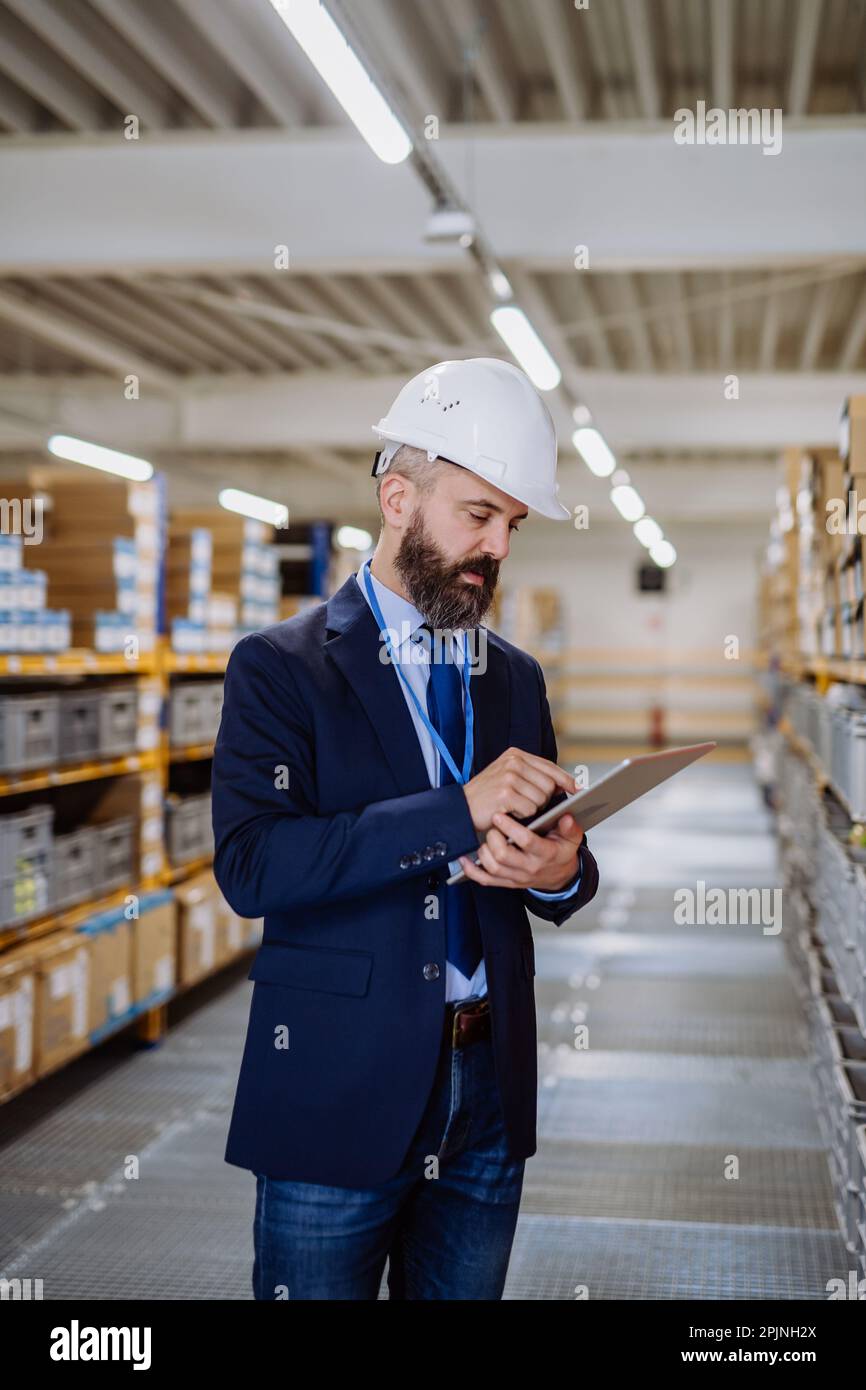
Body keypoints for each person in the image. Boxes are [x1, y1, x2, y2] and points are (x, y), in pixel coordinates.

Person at [212, 356, 600, 1300]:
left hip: (486, 1092)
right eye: (479, 515)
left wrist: (557, 867)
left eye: (512, 524)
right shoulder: (280, 668)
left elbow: (564, 870)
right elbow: (255, 866)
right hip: (337, 1090)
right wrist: (453, 812)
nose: (499, 546)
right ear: (398, 498)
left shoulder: (514, 677)